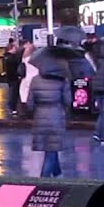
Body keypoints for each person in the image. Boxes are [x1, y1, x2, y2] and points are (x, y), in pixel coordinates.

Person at [26, 48, 72, 177]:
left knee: (50, 148)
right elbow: (68, 101)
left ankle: (57, 172)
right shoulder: (62, 80)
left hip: (40, 115)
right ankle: (44, 180)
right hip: (56, 116)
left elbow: (30, 103)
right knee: (51, 149)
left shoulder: (35, 80)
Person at [3, 39, 23, 117]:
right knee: (13, 93)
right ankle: (12, 108)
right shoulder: (11, 58)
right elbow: (13, 68)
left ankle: (11, 108)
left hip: (10, 78)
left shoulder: (6, 57)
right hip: (14, 78)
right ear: (12, 48)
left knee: (12, 92)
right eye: (15, 47)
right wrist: (18, 75)